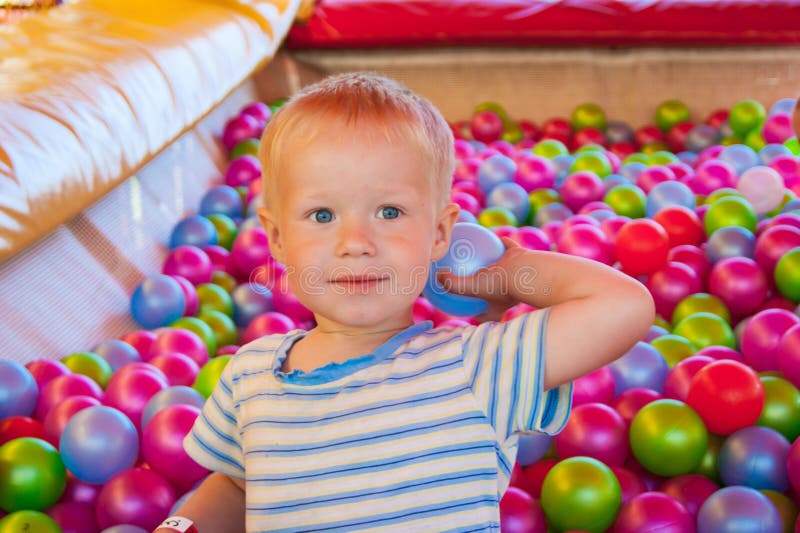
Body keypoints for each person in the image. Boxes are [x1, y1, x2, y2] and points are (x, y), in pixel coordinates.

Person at [155, 72, 654, 532]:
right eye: (322, 214)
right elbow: (237, 485)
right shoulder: (250, 375)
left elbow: (622, 304)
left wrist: (504, 271)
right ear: (277, 237)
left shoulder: (475, 366)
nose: (356, 241)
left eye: (389, 211)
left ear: (439, 234)